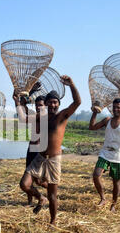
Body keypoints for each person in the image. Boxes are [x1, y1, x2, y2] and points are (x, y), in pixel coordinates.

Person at [17, 75, 81, 225]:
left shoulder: (62, 116)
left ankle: (53, 221)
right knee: (24, 184)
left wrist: (71, 84)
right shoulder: (41, 117)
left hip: (54, 160)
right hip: (40, 157)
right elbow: (23, 119)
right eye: (50, 102)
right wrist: (26, 96)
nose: (53, 105)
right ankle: (40, 198)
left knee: (53, 194)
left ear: (59, 104)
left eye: (55, 102)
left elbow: (77, 102)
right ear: (45, 104)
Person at [89, 98, 120, 211]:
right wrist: (94, 113)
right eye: (114, 107)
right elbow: (92, 127)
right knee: (96, 175)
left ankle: (113, 204)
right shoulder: (107, 120)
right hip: (105, 153)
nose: (116, 109)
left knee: (116, 182)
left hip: (117, 155)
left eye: (118, 107)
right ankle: (103, 198)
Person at [13, 94, 48, 205]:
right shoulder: (35, 115)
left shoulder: (46, 116)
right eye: (37, 105)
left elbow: (22, 116)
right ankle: (30, 201)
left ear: (45, 106)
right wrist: (23, 96)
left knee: (38, 180)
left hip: (40, 151)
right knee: (30, 176)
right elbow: (22, 109)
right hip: (31, 149)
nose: (39, 107)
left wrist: (20, 102)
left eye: (41, 105)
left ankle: (50, 191)